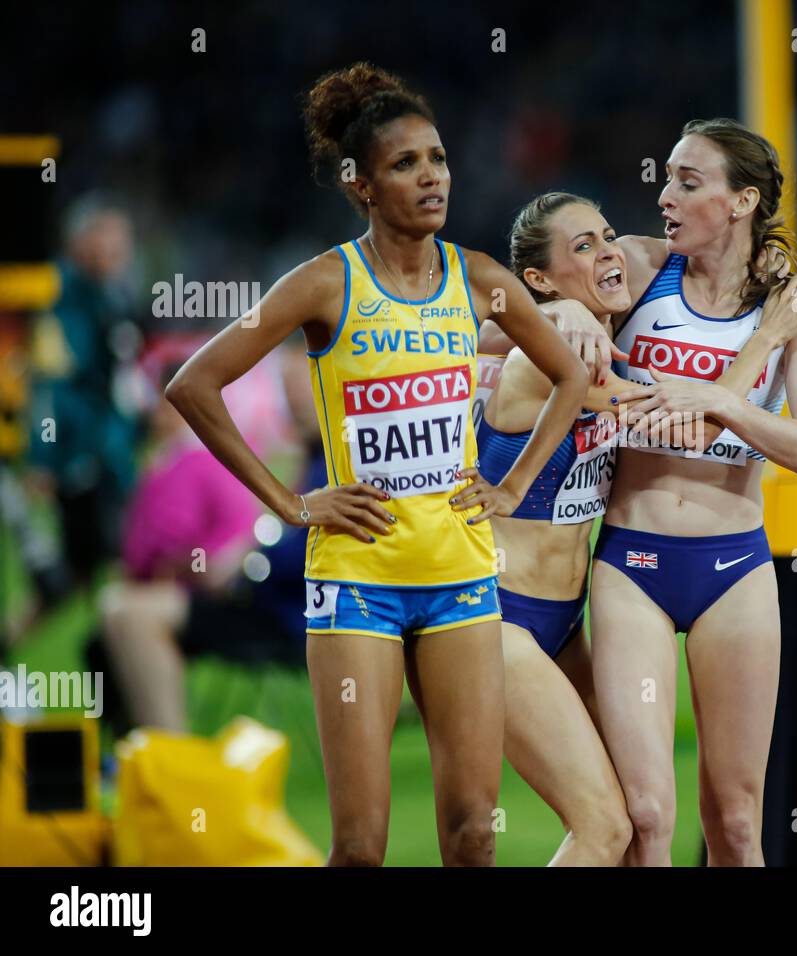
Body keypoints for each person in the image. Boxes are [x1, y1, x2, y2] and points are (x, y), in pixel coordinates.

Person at [164, 63, 586, 866]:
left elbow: (568, 373)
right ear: (360, 185)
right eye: (405, 164)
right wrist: (293, 504)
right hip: (358, 582)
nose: (432, 177)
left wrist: (516, 484)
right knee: (360, 847)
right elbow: (195, 384)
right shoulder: (325, 283)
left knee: (471, 835)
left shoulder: (479, 280)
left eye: (438, 159)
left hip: (461, 576)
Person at [487, 119, 797, 866]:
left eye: (686, 180)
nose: (663, 195)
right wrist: (561, 311)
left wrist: (758, 355)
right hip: (631, 568)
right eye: (666, 177)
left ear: (742, 201)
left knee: (737, 825)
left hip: (736, 567)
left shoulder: (795, 307)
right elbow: (499, 320)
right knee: (644, 818)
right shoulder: (643, 267)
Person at [97, 341, 326, 733]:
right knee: (120, 613)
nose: (293, 401)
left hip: (285, 616)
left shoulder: (335, 454)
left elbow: (310, 543)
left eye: (299, 386)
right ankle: (157, 753)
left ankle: (172, 755)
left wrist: (249, 562)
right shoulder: (310, 453)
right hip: (254, 598)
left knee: (128, 614)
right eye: (287, 390)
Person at [24, 196, 139, 605]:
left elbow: (120, 380)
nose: (116, 252)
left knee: (99, 563)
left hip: (109, 453)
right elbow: (47, 385)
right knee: (85, 565)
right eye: (107, 241)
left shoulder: (112, 296)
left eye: (121, 243)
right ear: (81, 241)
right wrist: (44, 457)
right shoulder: (56, 295)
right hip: (77, 453)